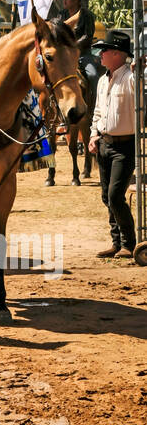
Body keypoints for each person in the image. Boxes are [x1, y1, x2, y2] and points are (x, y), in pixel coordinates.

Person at [89, 28, 137, 261]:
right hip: (104, 143)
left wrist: (139, 74)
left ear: (118, 54)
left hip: (124, 146)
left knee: (116, 194)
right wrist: (92, 135)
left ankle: (128, 243)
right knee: (107, 197)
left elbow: (140, 90)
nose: (100, 54)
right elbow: (98, 112)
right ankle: (117, 242)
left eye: (104, 50)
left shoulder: (130, 78)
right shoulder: (101, 80)